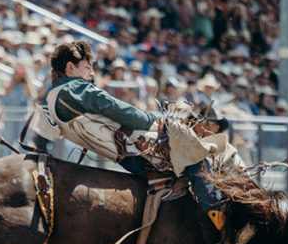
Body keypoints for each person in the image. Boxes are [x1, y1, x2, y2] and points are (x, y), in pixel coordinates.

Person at [43, 40, 231, 233]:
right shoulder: (76, 88)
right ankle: (219, 214)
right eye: (88, 68)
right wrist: (158, 121)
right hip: (138, 148)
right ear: (70, 67)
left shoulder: (51, 97)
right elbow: (116, 108)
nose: (92, 73)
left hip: (126, 158)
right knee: (196, 156)